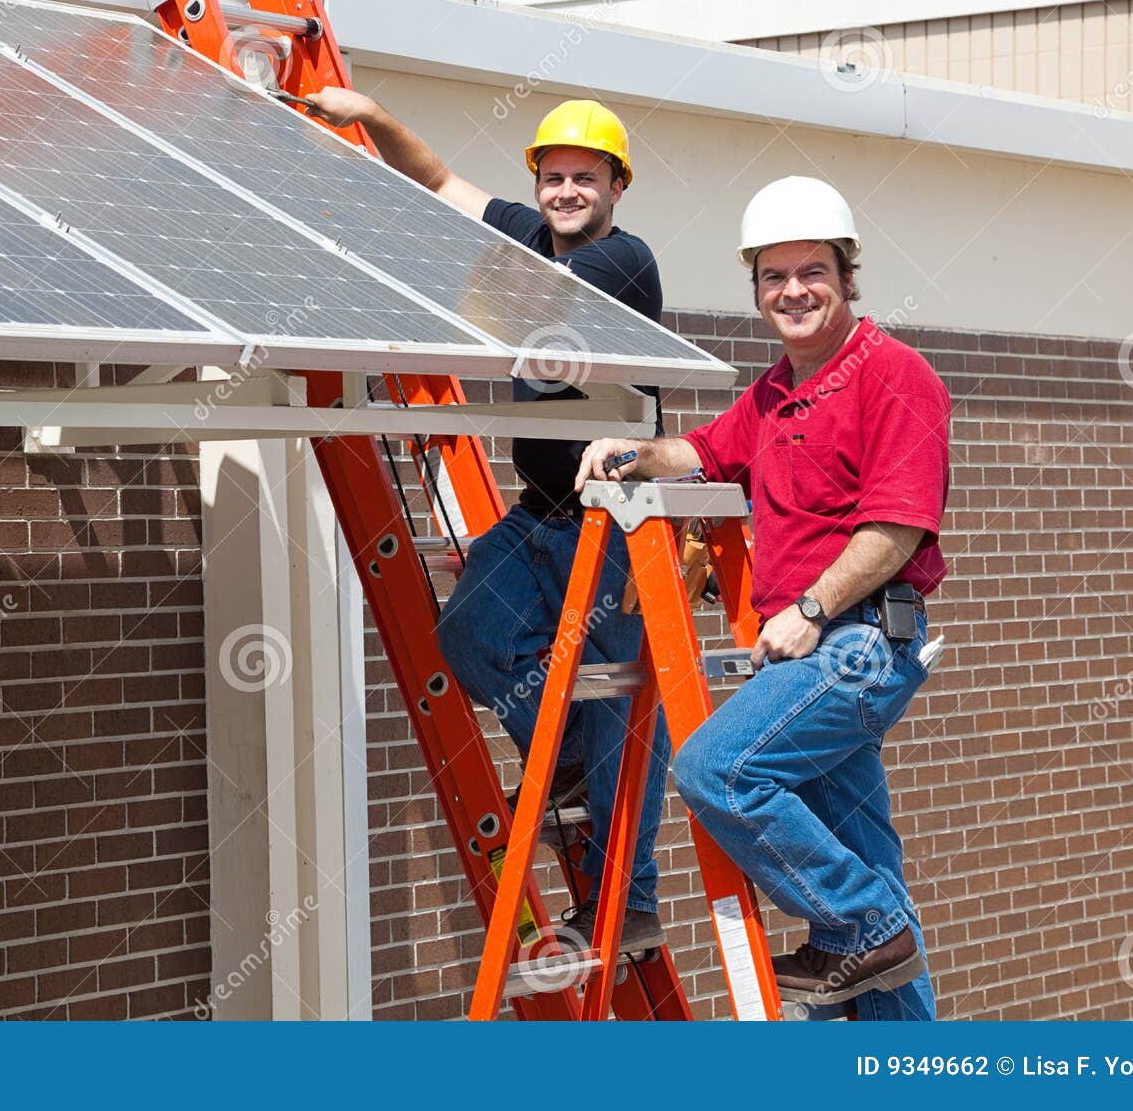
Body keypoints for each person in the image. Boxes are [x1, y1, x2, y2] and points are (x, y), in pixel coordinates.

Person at [301, 87, 671, 953]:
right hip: (541, 512)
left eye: (586, 177)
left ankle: (633, 901)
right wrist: (369, 113)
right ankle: (565, 749)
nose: (566, 190)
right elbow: (438, 182)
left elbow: (512, 304)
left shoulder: (624, 261)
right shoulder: (529, 232)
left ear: (617, 187)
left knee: (624, 714)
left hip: (615, 525)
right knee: (469, 631)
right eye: (553, 175)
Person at [575, 175, 950, 1019]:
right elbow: (705, 452)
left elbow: (896, 531)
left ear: (848, 276)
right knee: (866, 869)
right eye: (773, 278)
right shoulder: (776, 391)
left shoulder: (896, 376)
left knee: (719, 767)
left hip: (857, 645)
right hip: (820, 653)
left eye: (811, 271)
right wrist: (630, 451)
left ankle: (863, 921)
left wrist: (810, 608)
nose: (793, 292)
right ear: (756, 290)